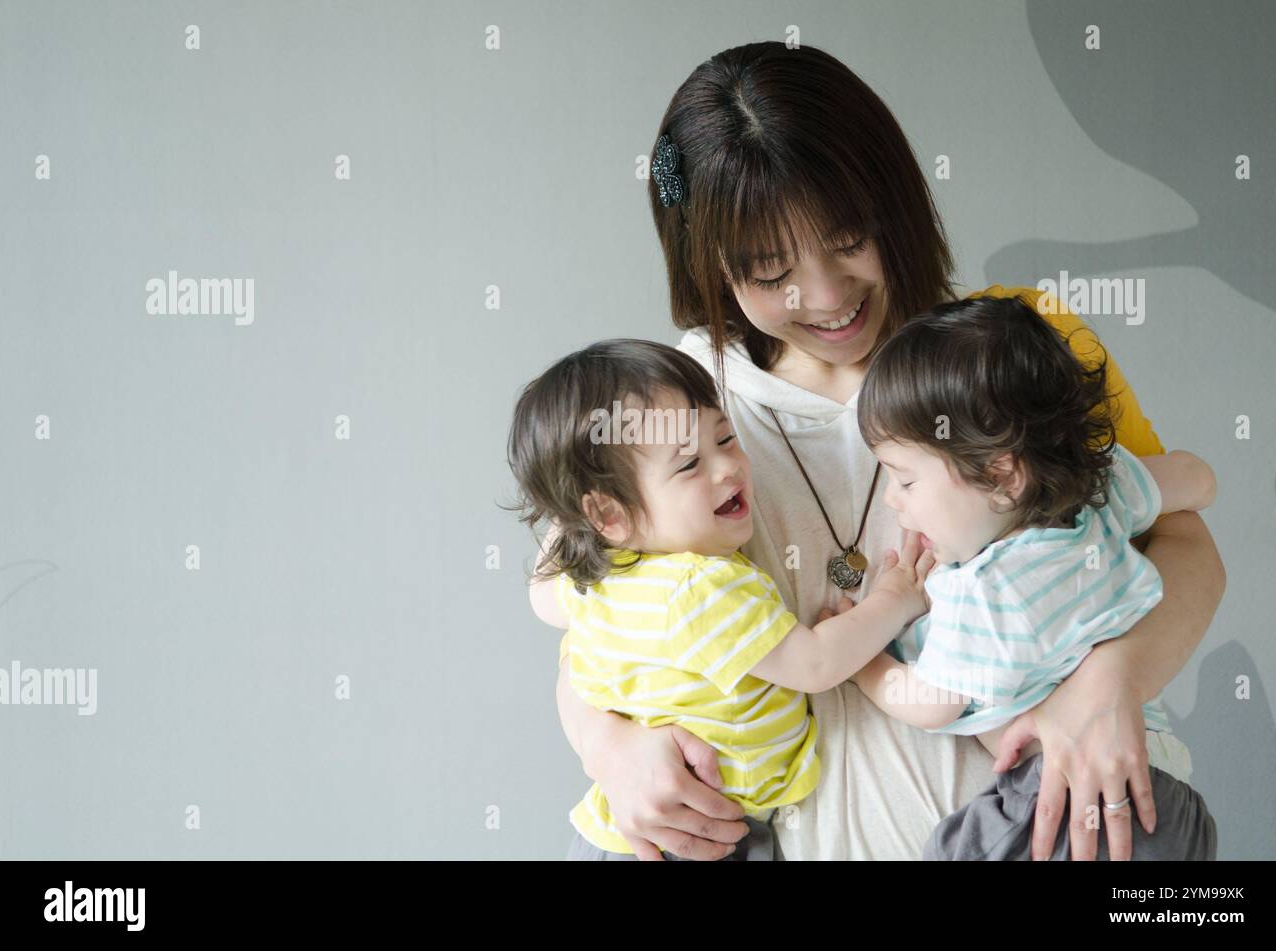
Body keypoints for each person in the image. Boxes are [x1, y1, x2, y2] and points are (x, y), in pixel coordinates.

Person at [553, 41, 1226, 860]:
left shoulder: (1013, 345)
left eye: (847, 238)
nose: (828, 297)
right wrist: (607, 749)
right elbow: (590, 620)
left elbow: (1187, 547)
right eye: (771, 272)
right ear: (710, 264)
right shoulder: (670, 405)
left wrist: (1110, 681)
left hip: (1052, 826)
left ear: (895, 200)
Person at [507, 339, 935, 859]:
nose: (726, 468)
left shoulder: (599, 579)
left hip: (653, 833)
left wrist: (581, 511)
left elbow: (539, 598)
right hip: (689, 836)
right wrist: (895, 598)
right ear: (610, 516)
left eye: (726, 439)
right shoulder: (699, 589)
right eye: (689, 465)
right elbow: (816, 662)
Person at [846, 294, 1218, 859]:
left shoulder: (986, 592)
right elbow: (1199, 479)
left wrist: (864, 666)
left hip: (1066, 800)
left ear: (1003, 475)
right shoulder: (1102, 497)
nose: (895, 501)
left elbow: (933, 703)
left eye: (906, 480)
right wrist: (1110, 468)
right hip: (1171, 798)